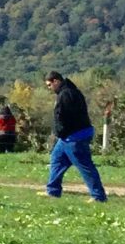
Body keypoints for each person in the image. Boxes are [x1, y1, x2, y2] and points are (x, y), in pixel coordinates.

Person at [43, 71, 109, 202]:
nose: (49, 88)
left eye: (49, 85)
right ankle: (53, 191)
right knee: (57, 160)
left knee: (85, 166)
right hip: (68, 137)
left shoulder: (66, 94)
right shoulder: (71, 91)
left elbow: (64, 116)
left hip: (74, 136)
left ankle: (98, 196)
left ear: (56, 81)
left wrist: (61, 131)